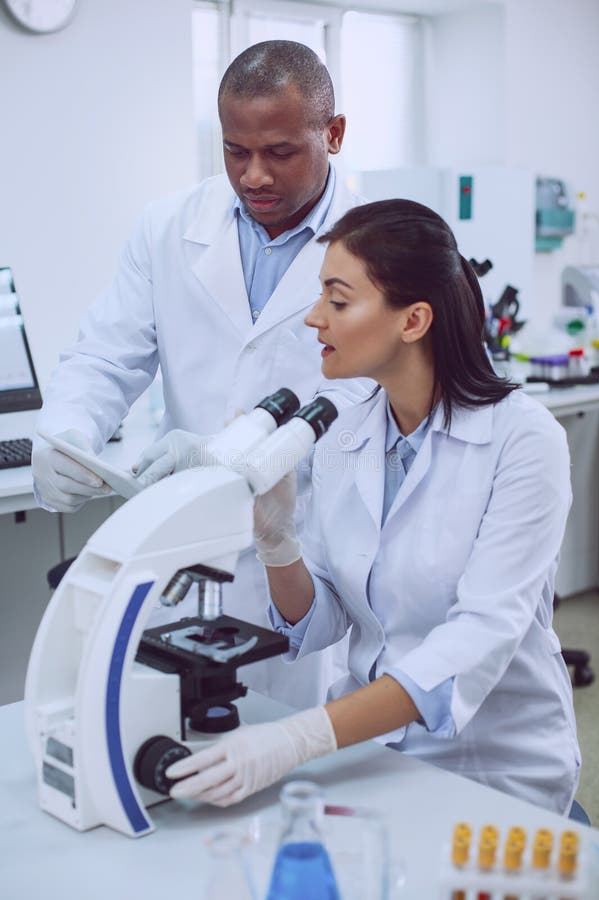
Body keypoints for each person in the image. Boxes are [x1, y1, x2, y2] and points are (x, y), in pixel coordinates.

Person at [164, 199, 581, 816]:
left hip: (491, 764)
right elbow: (328, 616)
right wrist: (279, 545)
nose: (313, 319)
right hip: (370, 752)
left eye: (337, 301)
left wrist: (300, 736)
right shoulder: (346, 430)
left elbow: (480, 634)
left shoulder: (523, 440)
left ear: (412, 320)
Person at [32, 40, 369, 707]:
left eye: (279, 152)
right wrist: (66, 434)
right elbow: (107, 352)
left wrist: (241, 454)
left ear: (332, 134)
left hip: (320, 549)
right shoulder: (169, 228)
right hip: (191, 545)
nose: (253, 177)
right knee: (180, 730)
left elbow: (371, 397)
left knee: (306, 755)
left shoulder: (381, 241)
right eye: (234, 150)